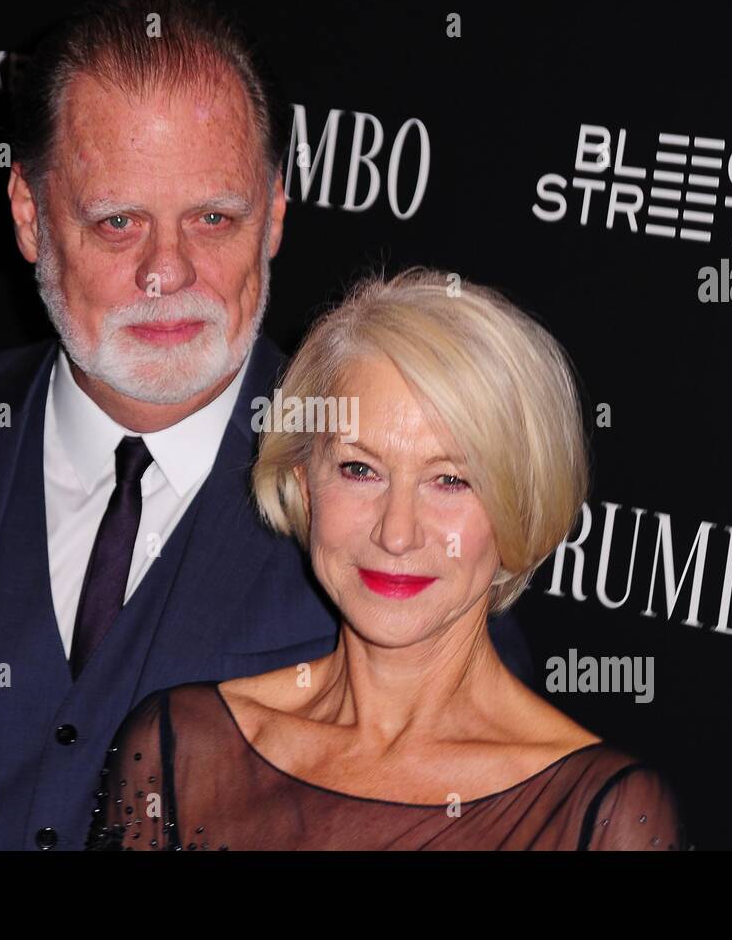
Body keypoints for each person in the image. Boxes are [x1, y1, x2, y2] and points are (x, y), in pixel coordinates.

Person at [0, 0, 537, 850]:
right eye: (118, 223)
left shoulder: (393, 512)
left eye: (214, 218)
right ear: (31, 217)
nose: (167, 270)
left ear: (276, 215)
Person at [87, 268, 690, 850]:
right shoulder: (181, 749)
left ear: (519, 509)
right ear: (303, 483)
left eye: (450, 480)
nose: (396, 534)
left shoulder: (599, 817)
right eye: (359, 469)